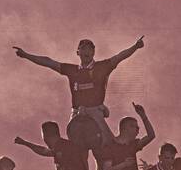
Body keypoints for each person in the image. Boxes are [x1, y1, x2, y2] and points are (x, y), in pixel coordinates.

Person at [13, 36, 144, 153]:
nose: (87, 52)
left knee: (107, 147)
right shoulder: (72, 70)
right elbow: (48, 62)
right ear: (78, 52)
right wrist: (26, 55)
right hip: (76, 112)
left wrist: (135, 47)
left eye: (90, 49)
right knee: (76, 151)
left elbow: (120, 56)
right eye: (84, 49)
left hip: (95, 112)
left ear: (93, 52)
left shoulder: (102, 67)